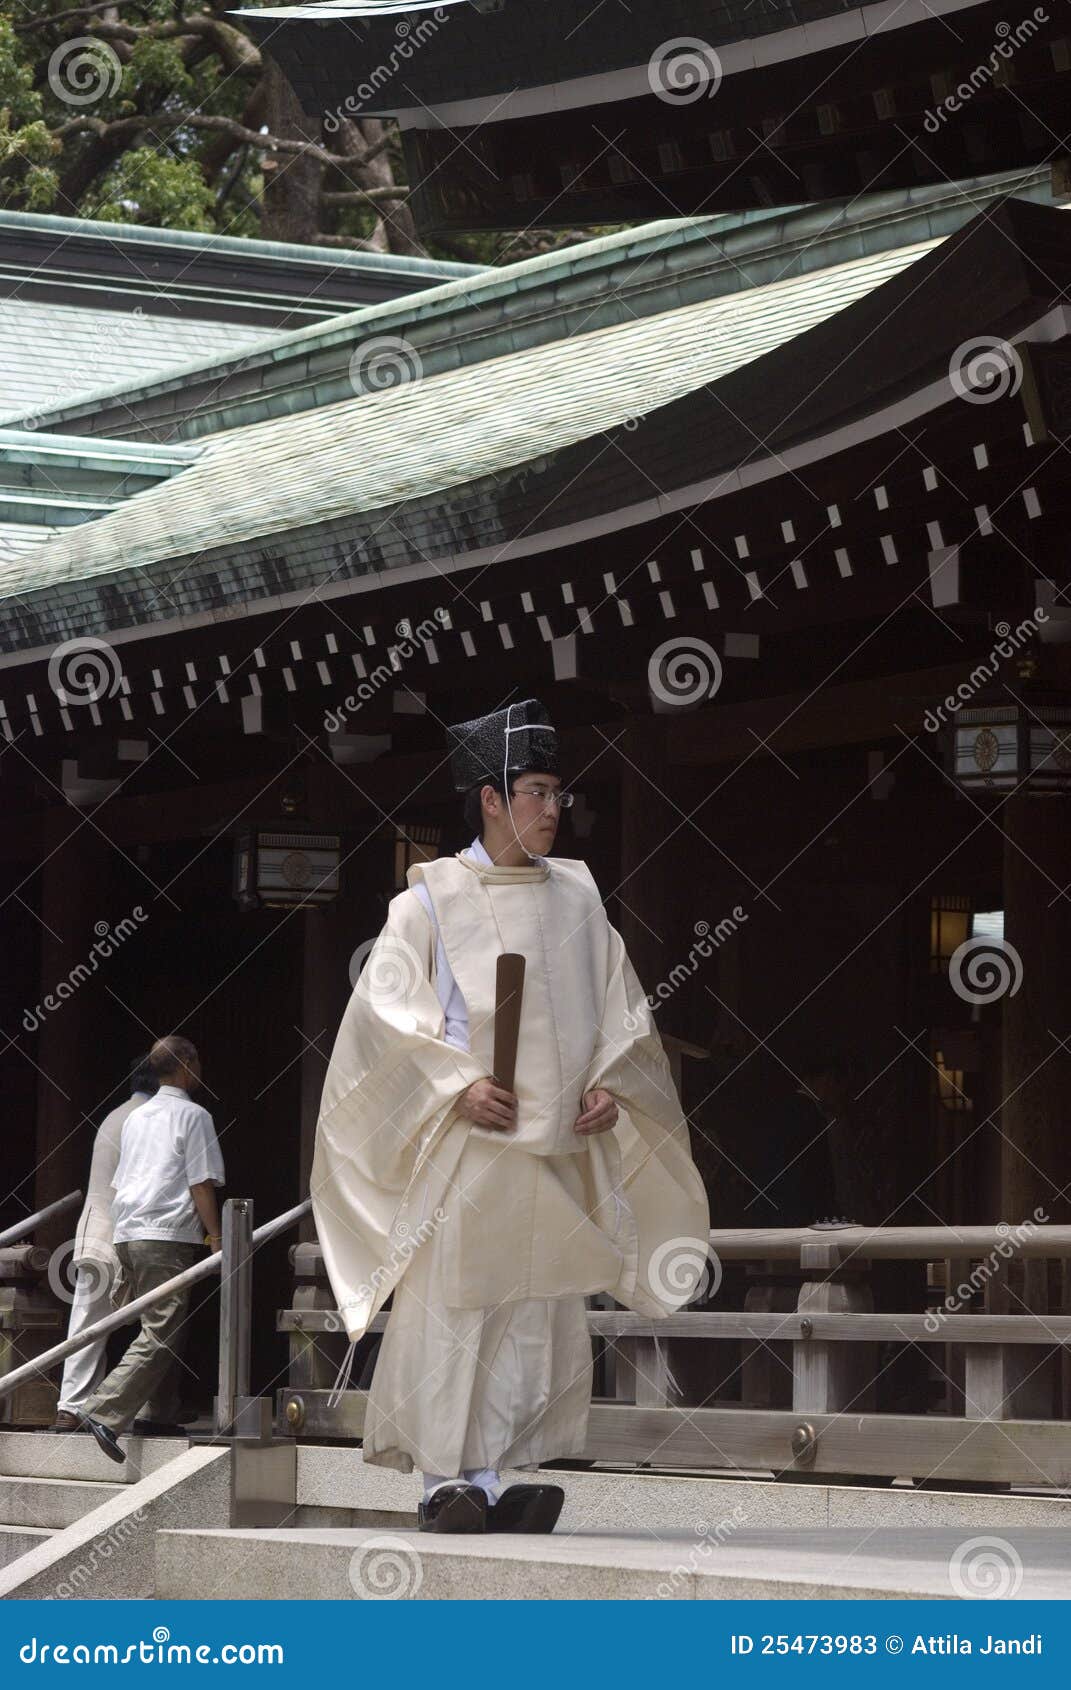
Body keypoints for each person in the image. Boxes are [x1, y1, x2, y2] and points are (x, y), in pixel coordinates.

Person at [312, 697, 710, 1534]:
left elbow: (620, 1012)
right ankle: (439, 1477)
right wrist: (453, 1083)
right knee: (455, 1304)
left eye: (557, 794)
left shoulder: (578, 900)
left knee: (537, 1305)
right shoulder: (426, 901)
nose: (550, 810)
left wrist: (610, 1086)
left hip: (556, 1140)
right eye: (532, 791)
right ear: (490, 799)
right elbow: (384, 1021)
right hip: (470, 1138)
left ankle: (501, 1469)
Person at [76, 1036, 225, 1465]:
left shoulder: (137, 1117)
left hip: (130, 1231)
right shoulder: (194, 1116)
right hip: (165, 1234)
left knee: (160, 1323)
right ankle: (103, 1409)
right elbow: (200, 1181)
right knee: (162, 1329)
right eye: (198, 1062)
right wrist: (215, 1236)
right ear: (186, 1065)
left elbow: (122, 1181)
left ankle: (159, 1412)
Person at [51, 1056, 160, 1434]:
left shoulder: (116, 1115)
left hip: (96, 1230)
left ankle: (73, 1405)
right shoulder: (151, 1119)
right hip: (129, 1231)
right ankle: (147, 1408)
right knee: (154, 1321)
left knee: (88, 1320)